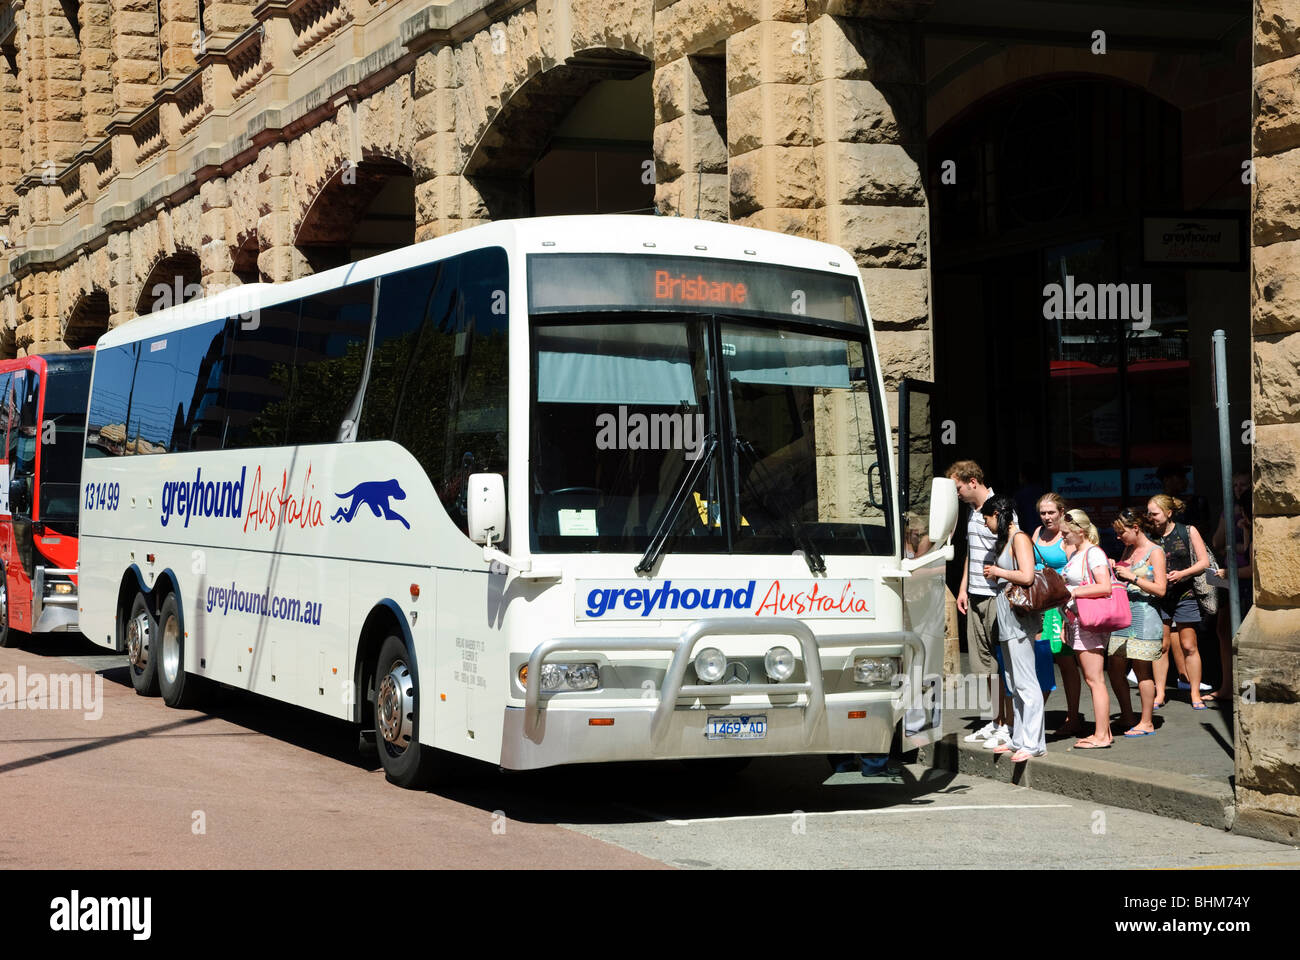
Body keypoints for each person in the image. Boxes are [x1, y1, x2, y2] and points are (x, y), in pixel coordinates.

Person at [948, 459, 1015, 750]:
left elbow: (1013, 545)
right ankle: (995, 718)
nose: (957, 493)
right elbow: (971, 554)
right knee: (981, 664)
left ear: (972, 482)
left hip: (995, 594)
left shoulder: (998, 507)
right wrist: (962, 588)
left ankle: (1009, 723)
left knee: (1003, 662)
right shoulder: (969, 511)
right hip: (974, 593)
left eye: (958, 487)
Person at [979, 495, 1045, 762]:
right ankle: (1019, 738)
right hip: (1007, 613)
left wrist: (997, 571)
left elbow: (1027, 576)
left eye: (987, 518)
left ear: (997, 513)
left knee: (1026, 680)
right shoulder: (1007, 540)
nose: (986, 524)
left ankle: (1034, 742)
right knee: (1013, 681)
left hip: (1019, 614)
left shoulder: (1019, 538)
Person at [1107, 508, 1167, 736]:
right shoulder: (1128, 549)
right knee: (1114, 667)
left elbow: (1161, 589)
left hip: (1144, 615)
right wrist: (1116, 569)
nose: (1118, 537)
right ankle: (1127, 714)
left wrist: (1132, 577)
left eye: (1122, 532)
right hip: (1124, 615)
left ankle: (1146, 721)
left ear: (1136, 528)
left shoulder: (1155, 551)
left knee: (1142, 670)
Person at [1148, 494, 1211, 709]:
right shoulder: (1149, 535)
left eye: (1155, 513)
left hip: (1186, 593)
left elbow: (1204, 562)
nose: (1151, 517)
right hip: (1160, 595)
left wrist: (1182, 573)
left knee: (1188, 645)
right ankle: (1160, 693)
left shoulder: (1187, 531)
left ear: (1168, 513)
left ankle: (1194, 693)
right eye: (1149, 513)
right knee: (1161, 646)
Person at [1060, 508, 1115, 748]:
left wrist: (1073, 591)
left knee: (1095, 680)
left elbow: (1105, 587)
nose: (1063, 537)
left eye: (1066, 534)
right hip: (1077, 621)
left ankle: (1102, 735)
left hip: (1090, 623)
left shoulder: (1093, 554)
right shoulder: (1078, 554)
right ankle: (1103, 732)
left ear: (1079, 531)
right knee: (1092, 678)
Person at [1033, 492, 1083, 736]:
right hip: (1038, 606)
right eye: (1043, 513)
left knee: (1065, 662)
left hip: (1058, 607)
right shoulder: (1037, 533)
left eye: (1051, 512)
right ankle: (1033, 717)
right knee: (1040, 659)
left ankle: (1073, 717)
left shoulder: (1067, 536)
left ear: (1062, 512)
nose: (1046, 517)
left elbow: (1077, 569)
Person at [1209, 488, 1252, 702]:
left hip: (1245, 589)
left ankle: (1247, 694)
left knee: (1245, 642)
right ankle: (1232, 689)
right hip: (1236, 587)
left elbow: (1252, 567)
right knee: (1226, 632)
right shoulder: (1249, 528)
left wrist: (1228, 572)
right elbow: (1244, 548)